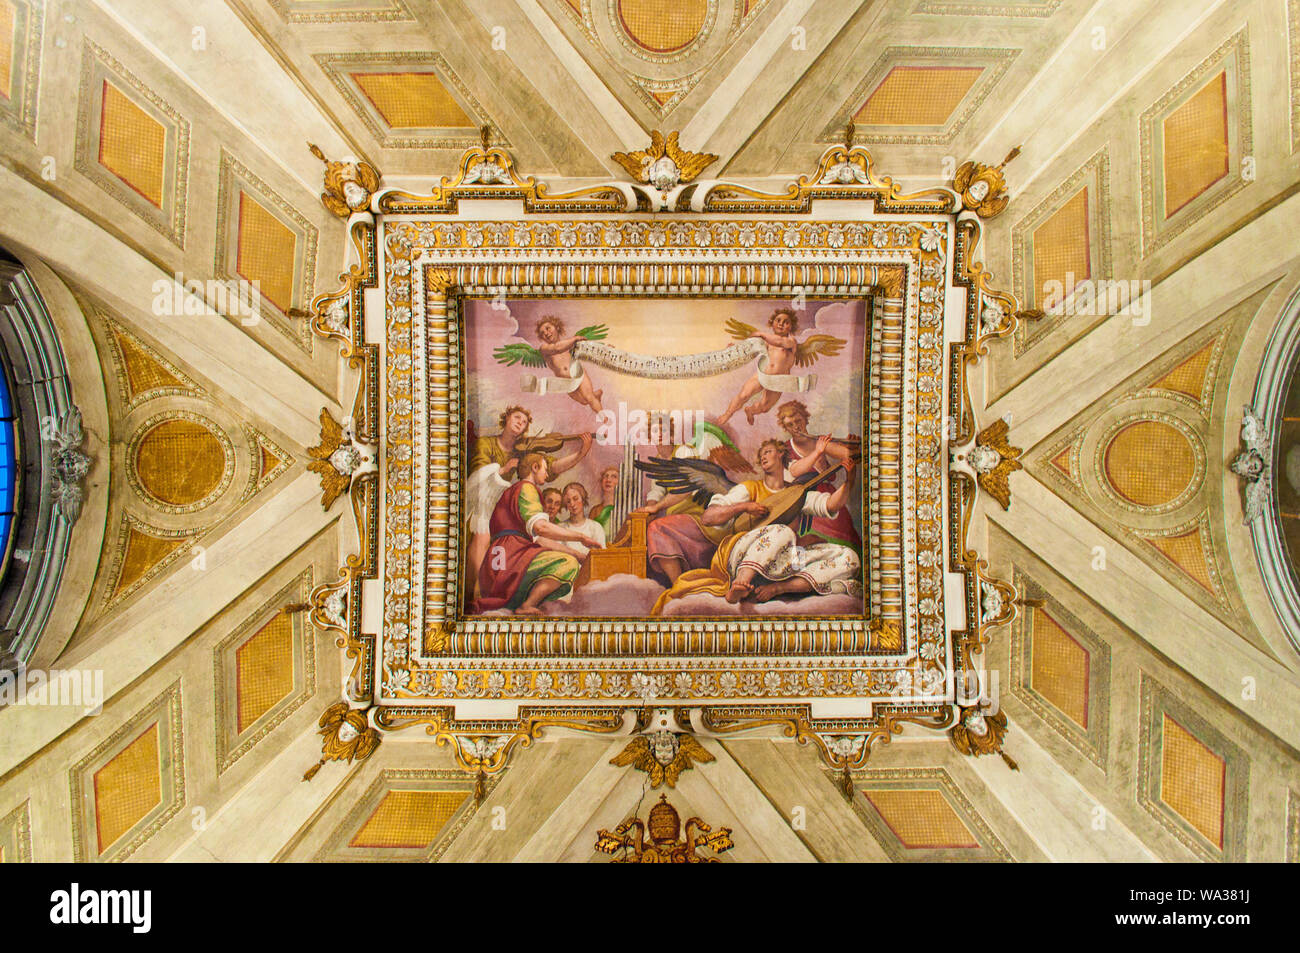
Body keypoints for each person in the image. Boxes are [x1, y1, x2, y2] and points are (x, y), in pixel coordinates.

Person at [651, 440, 860, 614]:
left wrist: (850, 479)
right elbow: (708, 517)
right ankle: (740, 584)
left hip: (783, 561)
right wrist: (744, 507)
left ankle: (779, 588)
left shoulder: (796, 494)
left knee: (849, 557)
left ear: (781, 454)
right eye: (761, 455)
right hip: (742, 557)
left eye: (768, 451)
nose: (763, 457)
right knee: (782, 530)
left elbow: (830, 505)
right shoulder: (750, 488)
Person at [465, 406, 591, 602]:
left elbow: (550, 467)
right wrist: (502, 470)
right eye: (517, 418)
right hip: (485, 501)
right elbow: (476, 477)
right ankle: (472, 595)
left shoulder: (523, 450)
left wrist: (580, 454)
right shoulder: (486, 444)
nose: (520, 423)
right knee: (482, 536)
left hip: (509, 507)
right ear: (506, 418)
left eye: (524, 422)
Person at [476, 453, 603, 615]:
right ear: (535, 467)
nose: (547, 474)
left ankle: (524, 604)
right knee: (567, 564)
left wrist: (578, 554)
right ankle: (527, 605)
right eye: (545, 469)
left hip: (495, 569)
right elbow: (541, 528)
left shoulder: (512, 491)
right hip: (511, 560)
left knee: (568, 559)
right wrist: (581, 537)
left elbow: (540, 540)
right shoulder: (527, 488)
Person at [776, 400, 862, 553]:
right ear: (786, 428)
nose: (796, 427)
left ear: (805, 419)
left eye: (798, 421)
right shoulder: (786, 449)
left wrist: (853, 449)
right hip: (806, 503)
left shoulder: (820, 441)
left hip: (831, 497)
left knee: (846, 539)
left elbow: (847, 455)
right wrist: (818, 452)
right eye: (790, 424)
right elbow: (796, 470)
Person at [717, 309, 798, 426]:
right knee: (744, 395)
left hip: (779, 381)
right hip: (762, 374)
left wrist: (761, 334)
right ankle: (728, 414)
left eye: (786, 322)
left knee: (765, 407)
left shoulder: (791, 341)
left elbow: (780, 342)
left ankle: (750, 411)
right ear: (772, 323)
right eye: (778, 320)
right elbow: (749, 349)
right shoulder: (766, 341)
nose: (781, 324)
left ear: (791, 327)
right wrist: (736, 349)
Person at [537, 316, 604, 413]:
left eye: (548, 328)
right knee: (584, 401)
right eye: (542, 333)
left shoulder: (569, 343)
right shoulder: (544, 348)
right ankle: (597, 394)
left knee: (589, 397)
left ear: (557, 327)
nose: (546, 333)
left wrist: (604, 347)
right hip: (566, 382)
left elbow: (588, 349)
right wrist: (575, 339)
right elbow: (557, 348)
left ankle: (604, 417)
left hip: (578, 374)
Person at [558, 482, 607, 557]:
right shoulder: (561, 528)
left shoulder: (595, 527)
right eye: (568, 501)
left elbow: (601, 556)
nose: (572, 504)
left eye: (575, 499)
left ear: (583, 500)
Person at [589, 466, 620, 537]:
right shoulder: (594, 511)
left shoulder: (623, 509)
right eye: (606, 476)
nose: (608, 480)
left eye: (614, 477)